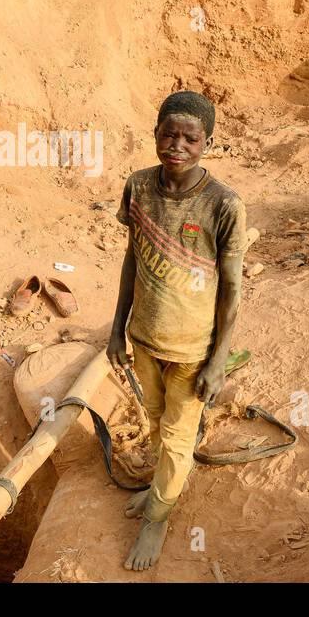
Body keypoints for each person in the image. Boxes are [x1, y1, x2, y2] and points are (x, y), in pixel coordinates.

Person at [107, 91, 247, 572]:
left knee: (178, 435)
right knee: (152, 419)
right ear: (154, 134)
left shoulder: (223, 204)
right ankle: (155, 489)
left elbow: (231, 287)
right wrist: (116, 330)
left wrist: (218, 360)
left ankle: (158, 519)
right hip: (144, 338)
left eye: (191, 137)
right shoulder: (139, 186)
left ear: (207, 142)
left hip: (191, 349)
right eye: (169, 133)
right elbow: (131, 259)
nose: (178, 145)